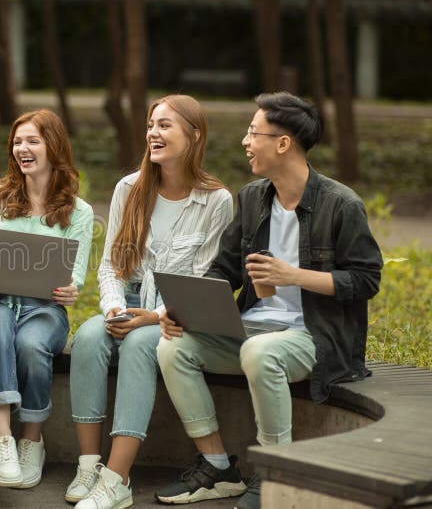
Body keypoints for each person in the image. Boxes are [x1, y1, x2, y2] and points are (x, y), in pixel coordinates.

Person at [155, 92, 383, 509]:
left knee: (260, 353)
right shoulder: (253, 198)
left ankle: (277, 471)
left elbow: (366, 280)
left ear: (283, 143)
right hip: (255, 326)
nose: (245, 142)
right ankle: (217, 465)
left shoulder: (341, 204)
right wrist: (185, 310)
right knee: (174, 347)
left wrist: (293, 276)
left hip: (315, 337)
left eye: (253, 133)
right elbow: (223, 269)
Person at [67, 95, 233, 509]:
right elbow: (111, 266)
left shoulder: (217, 201)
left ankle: (116, 478)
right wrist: (113, 308)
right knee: (88, 337)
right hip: (128, 301)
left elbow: (204, 280)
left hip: (176, 313)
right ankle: (88, 465)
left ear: (194, 136)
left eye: (164, 125)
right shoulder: (130, 188)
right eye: (150, 125)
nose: (153, 134)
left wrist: (153, 317)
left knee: (141, 345)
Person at [0, 109, 94, 490]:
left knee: (32, 344)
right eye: (17, 142)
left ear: (54, 147)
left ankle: (31, 441)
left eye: (33, 141)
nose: (22, 149)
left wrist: (69, 289)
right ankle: (1, 439)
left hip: (43, 309)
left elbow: (74, 275)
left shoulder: (79, 212)